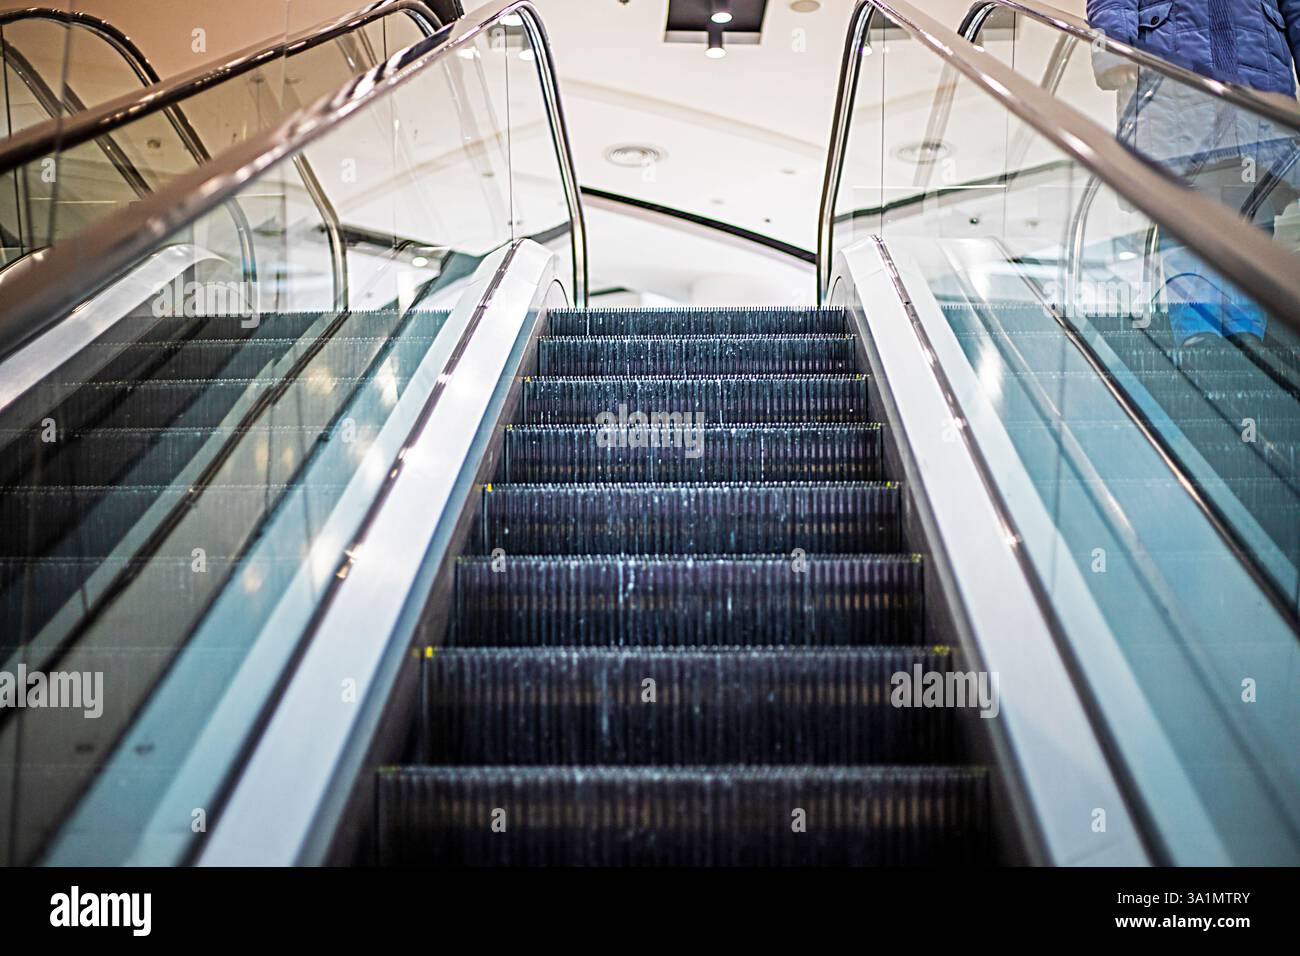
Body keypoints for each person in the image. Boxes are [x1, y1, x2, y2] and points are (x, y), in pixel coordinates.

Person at [1088, 0, 1300, 348]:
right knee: (1188, 216)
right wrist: (1113, 48)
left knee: (1253, 217)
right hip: (1175, 79)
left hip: (1257, 78)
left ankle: (1246, 333)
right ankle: (1196, 332)